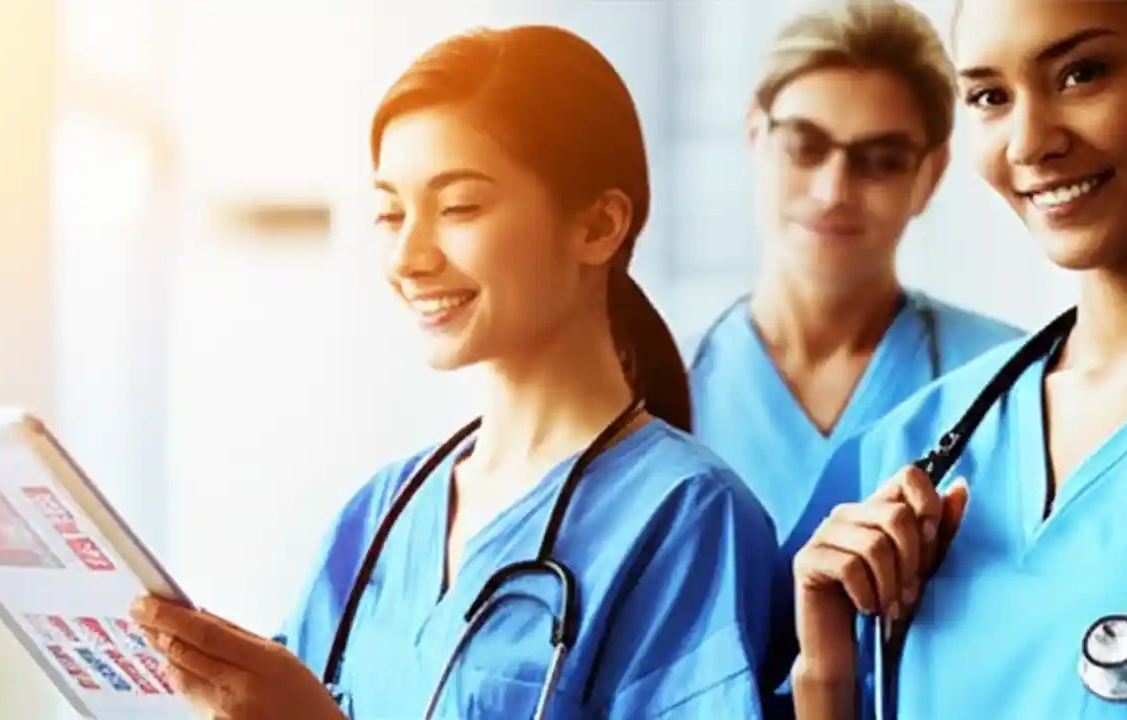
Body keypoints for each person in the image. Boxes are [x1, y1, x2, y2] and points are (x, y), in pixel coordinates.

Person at [131, 24, 785, 719]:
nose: (408, 256)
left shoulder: (686, 517)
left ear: (598, 227)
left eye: (458, 208)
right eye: (390, 212)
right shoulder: (384, 512)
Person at [790, 0, 1127, 717]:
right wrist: (827, 673)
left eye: (1082, 74)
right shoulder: (913, 444)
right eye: (991, 96)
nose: (1029, 141)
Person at [688, 0, 1023, 549]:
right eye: (804, 145)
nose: (833, 192)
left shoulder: (1011, 378)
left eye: (882, 159)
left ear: (931, 174)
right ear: (755, 136)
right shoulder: (658, 384)